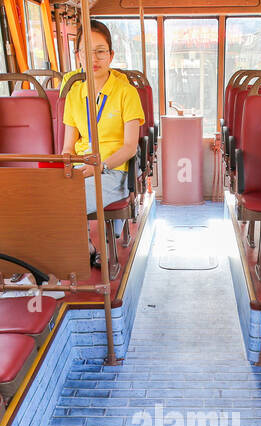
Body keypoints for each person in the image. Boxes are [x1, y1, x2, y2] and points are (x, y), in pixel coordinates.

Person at [61, 19, 144, 266]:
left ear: (111, 55)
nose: (94, 58)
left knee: (67, 202)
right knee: (48, 196)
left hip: (113, 169)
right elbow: (67, 146)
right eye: (87, 52)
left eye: (100, 51)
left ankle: (57, 269)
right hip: (80, 168)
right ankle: (84, 247)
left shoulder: (126, 93)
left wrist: (99, 167)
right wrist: (68, 166)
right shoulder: (74, 95)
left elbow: (130, 146)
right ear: (78, 57)